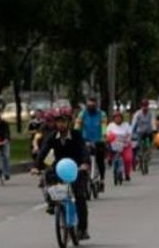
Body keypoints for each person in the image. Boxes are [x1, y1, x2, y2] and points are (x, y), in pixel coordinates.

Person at [33, 108, 91, 240]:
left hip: (77, 168)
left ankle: (82, 229)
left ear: (69, 122)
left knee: (80, 197)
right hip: (59, 168)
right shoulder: (52, 136)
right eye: (58, 121)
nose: (61, 125)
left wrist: (85, 163)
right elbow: (44, 152)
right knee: (49, 176)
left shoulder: (76, 135)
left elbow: (83, 150)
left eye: (63, 121)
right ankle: (53, 203)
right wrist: (37, 166)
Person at [77, 96, 107, 190]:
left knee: (100, 160)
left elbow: (104, 126)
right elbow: (77, 125)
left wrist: (104, 136)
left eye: (93, 105)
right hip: (85, 140)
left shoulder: (102, 114)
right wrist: (76, 136)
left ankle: (102, 180)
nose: (91, 107)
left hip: (98, 140)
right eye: (89, 105)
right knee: (83, 159)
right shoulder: (82, 114)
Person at [106, 110, 134, 183]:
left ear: (122, 118)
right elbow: (108, 135)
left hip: (125, 145)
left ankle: (127, 174)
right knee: (111, 153)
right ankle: (110, 160)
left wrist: (127, 140)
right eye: (116, 118)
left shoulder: (126, 125)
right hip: (114, 146)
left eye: (119, 117)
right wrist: (109, 139)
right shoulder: (111, 126)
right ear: (114, 118)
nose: (118, 119)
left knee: (128, 159)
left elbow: (129, 134)